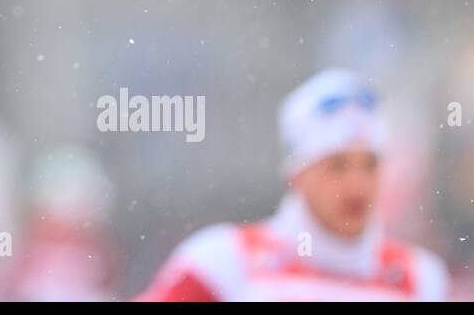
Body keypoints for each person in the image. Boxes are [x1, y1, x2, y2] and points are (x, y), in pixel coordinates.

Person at [137, 69, 448, 301]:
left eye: (370, 165)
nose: (357, 185)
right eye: (336, 166)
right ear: (296, 175)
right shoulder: (223, 262)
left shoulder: (420, 279)